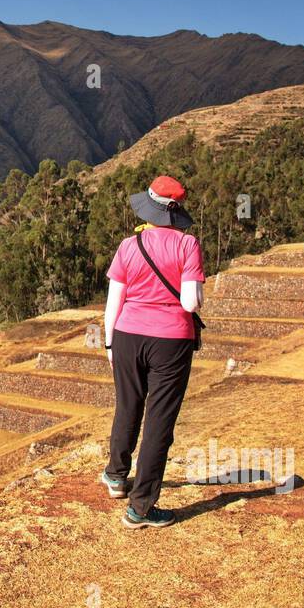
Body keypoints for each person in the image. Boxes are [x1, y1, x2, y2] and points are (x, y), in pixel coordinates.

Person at [100, 175, 205, 529]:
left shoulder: (129, 245)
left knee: (127, 406)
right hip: (171, 342)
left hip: (127, 334)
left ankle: (116, 476)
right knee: (159, 419)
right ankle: (141, 507)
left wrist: (110, 342)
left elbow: (114, 298)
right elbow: (190, 302)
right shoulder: (187, 245)